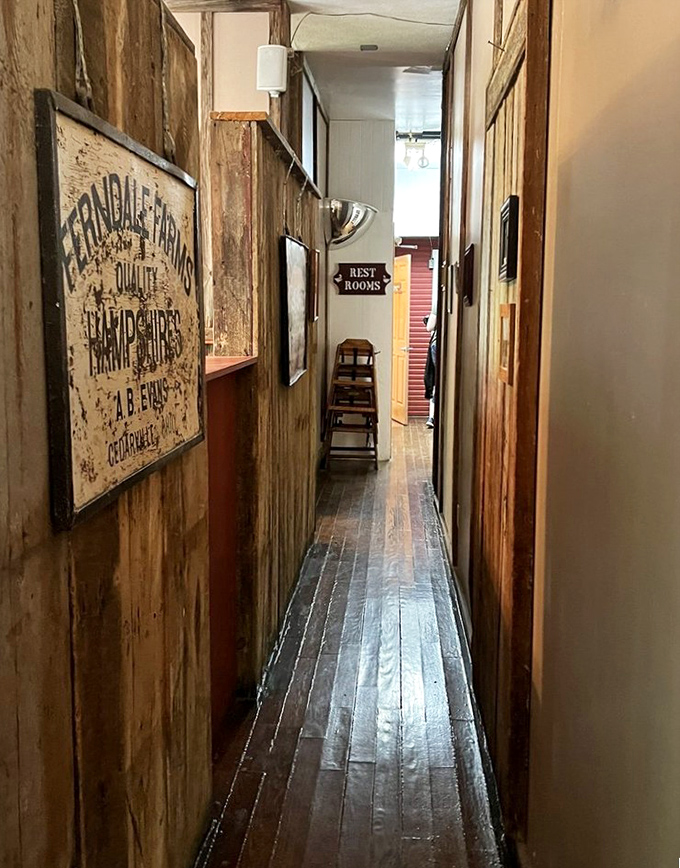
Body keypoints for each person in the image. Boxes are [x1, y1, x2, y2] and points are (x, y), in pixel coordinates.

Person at [423, 312, 436, 428]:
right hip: (437, 345)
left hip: (435, 345)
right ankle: (432, 416)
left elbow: (429, 327)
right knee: (436, 382)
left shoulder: (436, 307)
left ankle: (432, 417)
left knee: (435, 382)